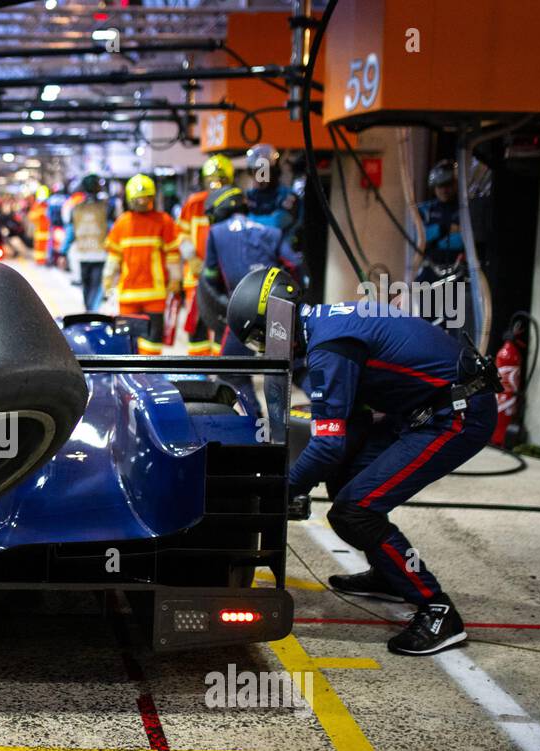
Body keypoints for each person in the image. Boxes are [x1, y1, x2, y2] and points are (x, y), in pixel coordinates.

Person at [226, 266, 498, 656]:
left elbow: (327, 445)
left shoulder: (328, 348)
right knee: (345, 482)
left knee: (356, 510)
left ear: (273, 323)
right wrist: (300, 481)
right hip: (426, 408)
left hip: (457, 414)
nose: (264, 348)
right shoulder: (325, 324)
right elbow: (348, 424)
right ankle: (390, 574)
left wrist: (279, 493)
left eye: (259, 339)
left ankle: (437, 610)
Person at [197, 186, 298, 357]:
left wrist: (224, 301)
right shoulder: (271, 229)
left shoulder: (216, 232)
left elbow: (210, 277)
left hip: (241, 310)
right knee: (284, 366)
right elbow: (294, 264)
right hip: (277, 307)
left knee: (232, 373)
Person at [102, 173, 182, 355]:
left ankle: (149, 378)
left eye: (145, 199)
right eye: (138, 200)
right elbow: (113, 258)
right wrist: (108, 281)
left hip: (151, 295)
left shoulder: (163, 221)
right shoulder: (123, 222)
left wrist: (176, 280)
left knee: (151, 344)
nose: (142, 203)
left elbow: (172, 256)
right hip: (133, 295)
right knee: (128, 343)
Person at [178, 154, 233, 355]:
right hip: (195, 277)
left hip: (223, 277)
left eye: (220, 179)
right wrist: (191, 257)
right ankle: (198, 370)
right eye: (211, 179)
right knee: (197, 324)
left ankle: (221, 368)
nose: (215, 183)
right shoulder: (194, 204)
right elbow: (181, 234)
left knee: (222, 321)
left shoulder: (233, 202)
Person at [64, 174, 110, 311]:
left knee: (86, 285)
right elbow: (112, 229)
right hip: (100, 254)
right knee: (96, 285)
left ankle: (88, 309)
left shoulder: (76, 208)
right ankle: (92, 311)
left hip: (83, 253)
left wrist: (62, 251)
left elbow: (71, 232)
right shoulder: (106, 208)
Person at [414, 159, 464, 283]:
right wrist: (444, 229)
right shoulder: (425, 210)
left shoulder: (465, 210)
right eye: (440, 185)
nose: (444, 190)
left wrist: (435, 239)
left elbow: (463, 240)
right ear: (434, 187)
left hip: (458, 272)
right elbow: (419, 238)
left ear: (456, 184)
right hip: (430, 270)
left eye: (448, 184)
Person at [244, 144, 301, 236]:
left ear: (274, 172)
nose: (260, 176)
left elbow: (277, 223)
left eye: (264, 171)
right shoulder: (248, 195)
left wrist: (249, 221)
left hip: (278, 248)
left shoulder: (287, 195)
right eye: (256, 171)